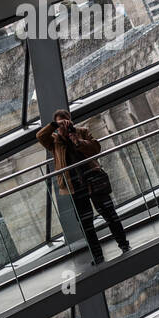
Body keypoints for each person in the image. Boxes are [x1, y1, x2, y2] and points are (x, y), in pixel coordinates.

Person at [36, 110, 129, 265]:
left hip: (94, 181)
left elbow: (95, 148)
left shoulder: (82, 132)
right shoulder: (54, 141)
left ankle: (123, 244)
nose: (64, 127)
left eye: (66, 122)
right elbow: (40, 136)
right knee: (86, 224)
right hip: (74, 187)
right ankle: (98, 256)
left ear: (71, 121)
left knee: (109, 213)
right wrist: (53, 126)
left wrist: (77, 141)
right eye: (60, 124)